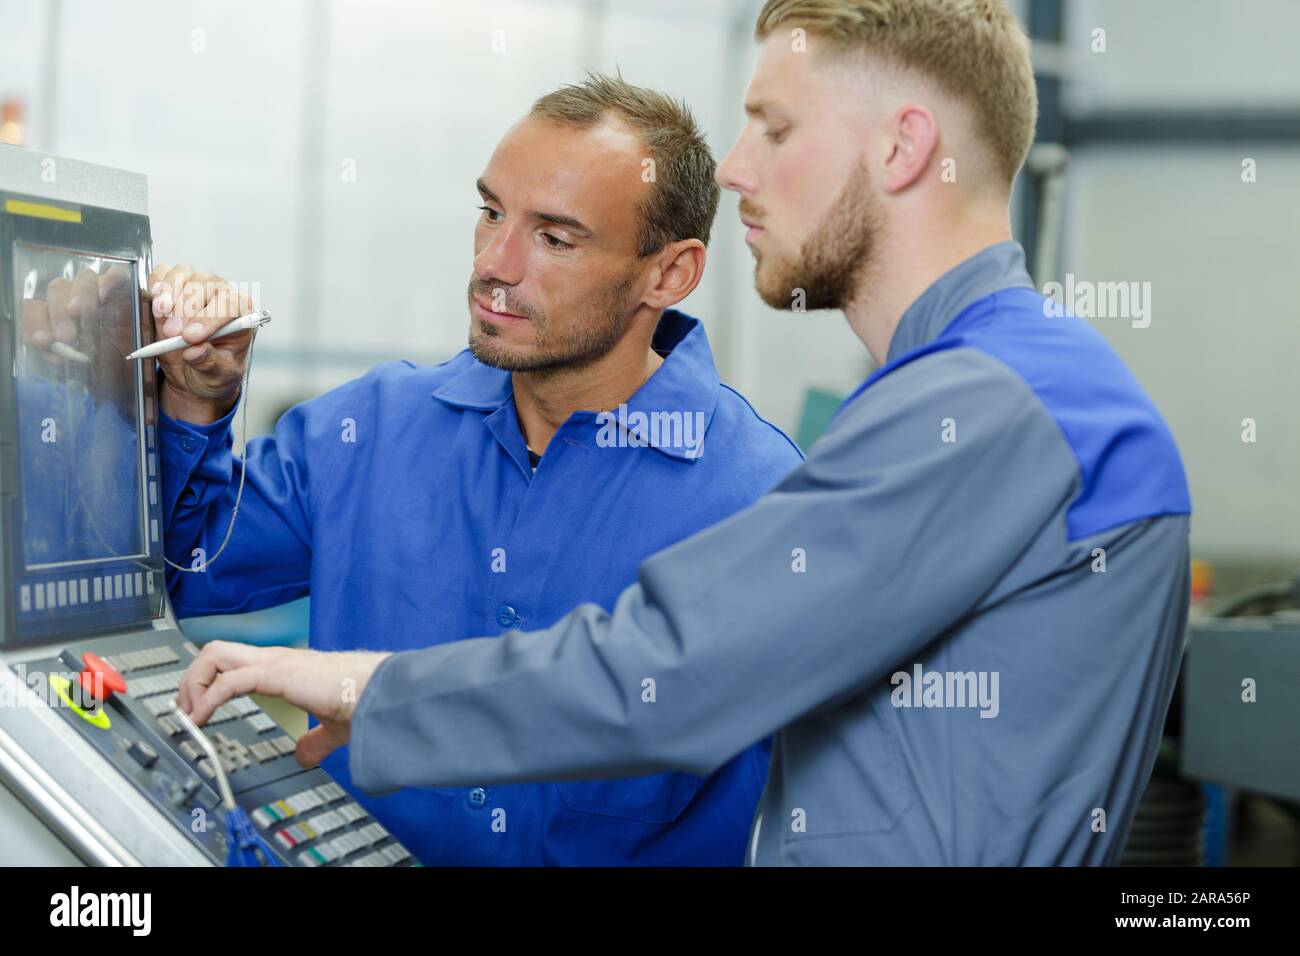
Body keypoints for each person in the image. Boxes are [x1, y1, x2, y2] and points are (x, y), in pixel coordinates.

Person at [181, 0, 1192, 866]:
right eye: (490, 215)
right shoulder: (1000, 389)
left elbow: (665, 672)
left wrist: (367, 682)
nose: (741, 166)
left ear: (902, 146)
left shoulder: (988, 403)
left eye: (776, 128)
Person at [152, 75, 802, 865]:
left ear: (668, 275)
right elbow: (187, 567)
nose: (495, 264)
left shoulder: (763, 500)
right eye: (491, 212)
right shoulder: (371, 428)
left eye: (555, 239)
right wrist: (194, 396)